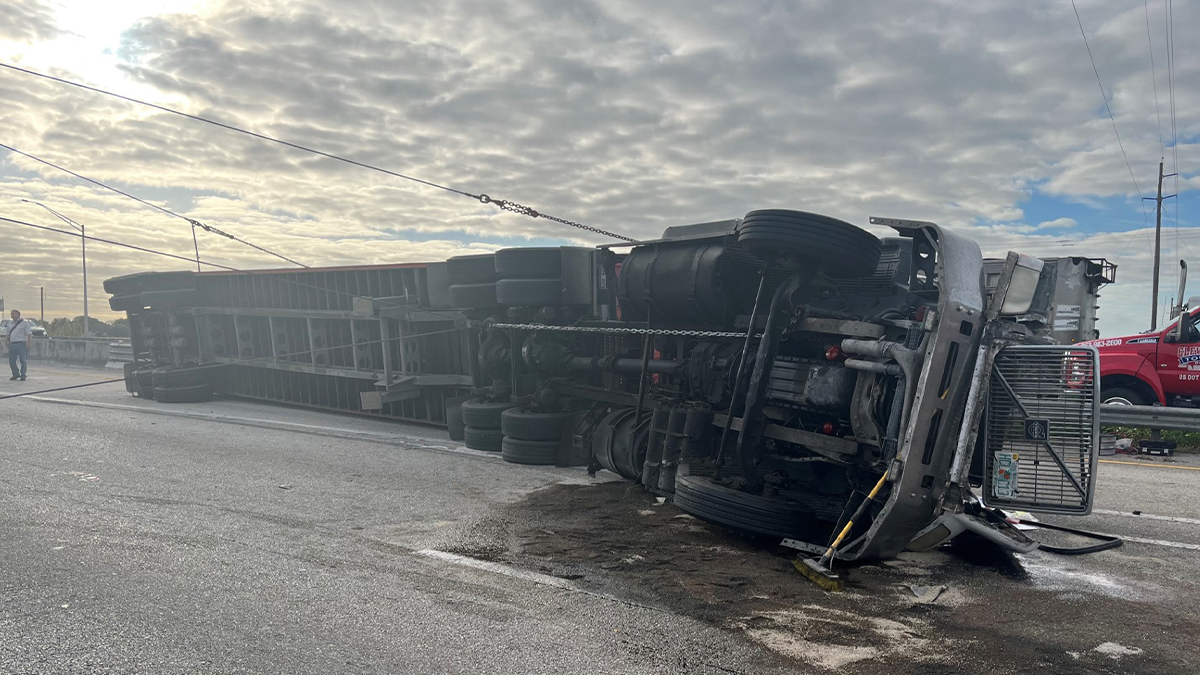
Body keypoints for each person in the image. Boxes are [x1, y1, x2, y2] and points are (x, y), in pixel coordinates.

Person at [7, 309, 32, 381]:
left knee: (23, 361)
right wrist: (7, 341)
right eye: (11, 314)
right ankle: (16, 374)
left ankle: (23, 375)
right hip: (12, 344)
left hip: (22, 343)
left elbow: (29, 334)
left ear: (18, 314)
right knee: (11, 361)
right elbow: (8, 334)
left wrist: (29, 344)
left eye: (14, 314)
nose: (12, 315)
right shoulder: (10, 323)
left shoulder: (24, 323)